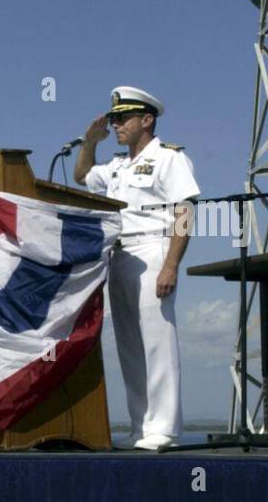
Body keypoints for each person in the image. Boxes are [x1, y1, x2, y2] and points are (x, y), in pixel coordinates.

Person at [74, 86, 200, 450]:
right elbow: (82, 176)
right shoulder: (117, 165)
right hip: (119, 254)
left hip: (153, 249)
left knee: (157, 341)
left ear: (147, 120)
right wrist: (89, 142)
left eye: (122, 118)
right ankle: (141, 425)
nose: (115, 125)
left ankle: (165, 429)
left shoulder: (169, 158)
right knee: (129, 343)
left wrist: (171, 265)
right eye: (112, 119)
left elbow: (184, 211)